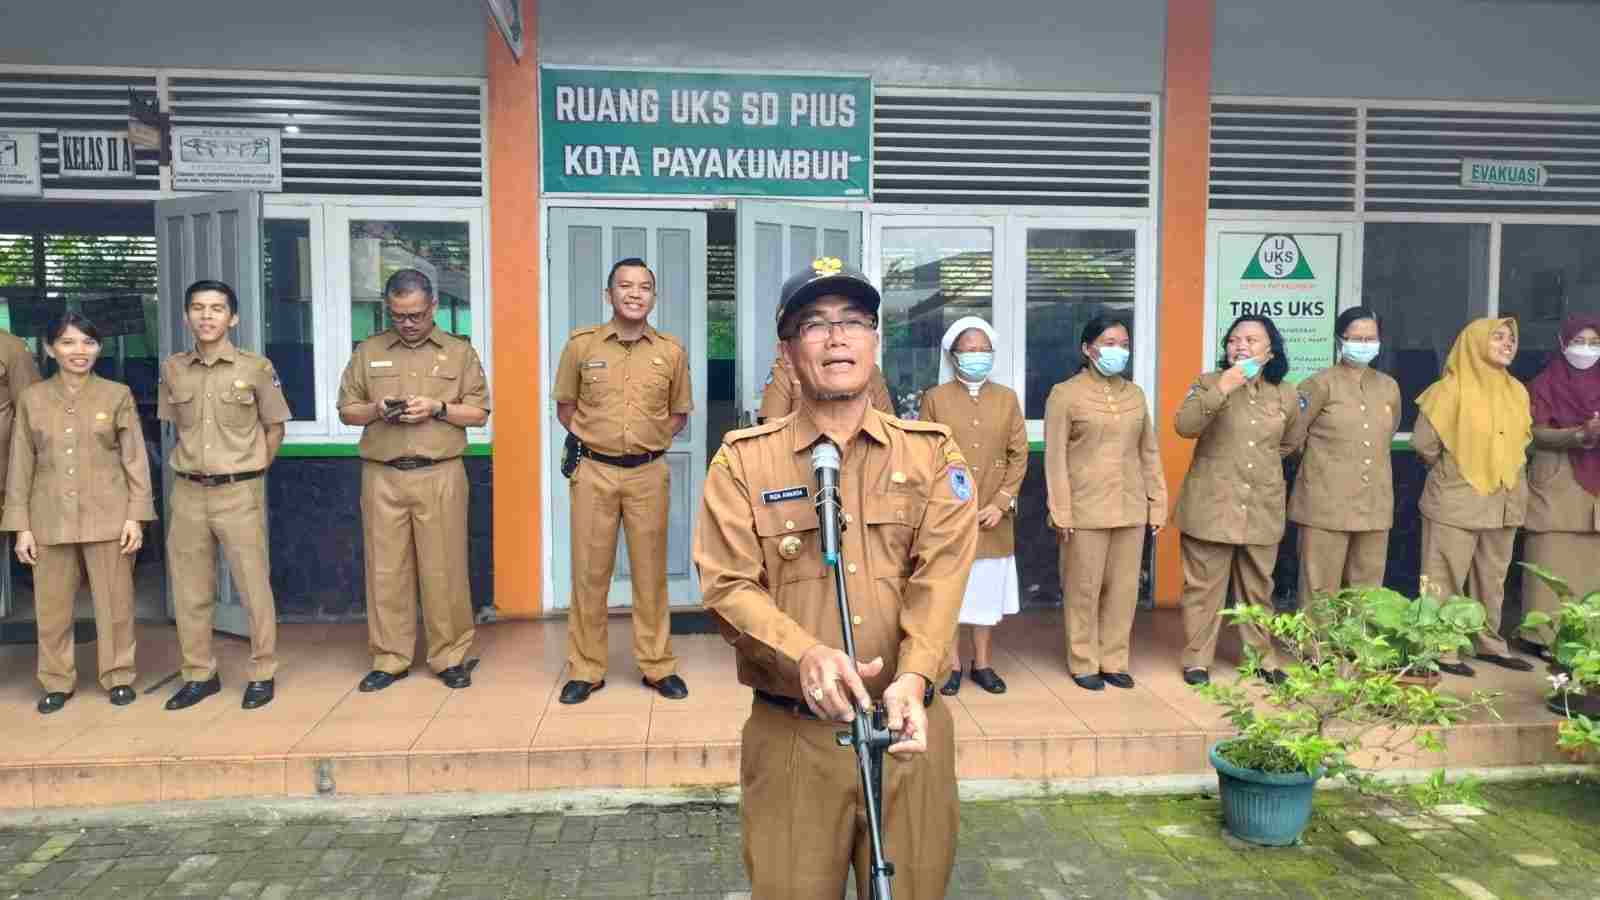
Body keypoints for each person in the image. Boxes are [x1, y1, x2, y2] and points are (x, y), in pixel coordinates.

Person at [693, 259, 976, 900]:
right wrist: (807, 654)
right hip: (793, 738)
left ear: (875, 343)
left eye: (854, 322)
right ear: (789, 351)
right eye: (815, 324)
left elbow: (943, 574)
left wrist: (914, 674)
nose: (837, 337)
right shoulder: (742, 461)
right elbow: (727, 585)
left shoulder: (932, 453)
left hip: (910, 732)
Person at [336, 268, 490, 693]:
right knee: (386, 570)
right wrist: (375, 409)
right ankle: (390, 657)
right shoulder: (368, 351)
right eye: (399, 315)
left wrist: (438, 407)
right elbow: (346, 410)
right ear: (389, 309)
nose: (407, 324)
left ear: (434, 307)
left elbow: (478, 412)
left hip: (439, 473)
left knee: (444, 570)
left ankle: (449, 657)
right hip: (382, 474)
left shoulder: (458, 353)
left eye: (416, 315)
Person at [552, 257, 692, 705]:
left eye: (645, 286)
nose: (635, 293)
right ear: (607, 294)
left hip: (648, 474)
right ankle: (586, 669)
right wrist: (601, 443)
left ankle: (657, 665)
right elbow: (566, 408)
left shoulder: (670, 351)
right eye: (625, 285)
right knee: (590, 575)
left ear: (654, 296)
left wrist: (645, 443)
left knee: (651, 575)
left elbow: (678, 415)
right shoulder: (581, 346)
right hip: (594, 472)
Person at [4, 313, 154, 714]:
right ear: (51, 349)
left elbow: (134, 459)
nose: (79, 351)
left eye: (87, 342)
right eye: (68, 343)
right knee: (51, 610)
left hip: (109, 516)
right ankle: (56, 680)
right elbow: (20, 465)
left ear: (98, 348)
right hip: (48, 518)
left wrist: (134, 517)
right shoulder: (32, 399)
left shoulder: (116, 394)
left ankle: (118, 676)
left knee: (115, 605)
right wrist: (21, 528)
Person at [158, 280, 292, 711]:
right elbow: (174, 426)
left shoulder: (255, 367)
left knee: (253, 585)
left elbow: (275, 427)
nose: (207, 316)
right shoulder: (173, 368)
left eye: (217, 308)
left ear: (232, 317)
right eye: (197, 308)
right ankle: (200, 674)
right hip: (188, 492)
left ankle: (262, 670)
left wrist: (253, 469)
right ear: (186, 316)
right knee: (190, 589)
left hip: (239, 492)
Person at [1172, 315, 1299, 686]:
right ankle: (1197, 659)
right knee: (1204, 588)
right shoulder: (1208, 383)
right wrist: (1224, 387)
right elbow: (1185, 426)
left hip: (1262, 501)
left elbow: (1290, 442)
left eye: (1251, 340)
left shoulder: (1286, 394)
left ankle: (1261, 658)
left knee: (1259, 587)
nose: (1240, 346)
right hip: (1212, 502)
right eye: (1233, 340)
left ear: (1270, 351)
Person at [1044, 316, 1166, 691]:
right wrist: (1060, 510)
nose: (1118, 350)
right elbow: (1055, 458)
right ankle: (1083, 661)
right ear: (1087, 349)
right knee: (1083, 588)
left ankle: (1114, 659)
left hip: (1131, 507)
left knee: (1124, 589)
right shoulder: (1065, 394)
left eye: (1124, 343)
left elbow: (1149, 451)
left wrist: (1157, 503)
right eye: (1109, 342)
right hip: (1084, 509)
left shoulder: (1135, 394)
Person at [1414, 317, 1535, 677]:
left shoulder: (1517, 390)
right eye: (1497, 337)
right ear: (1474, 342)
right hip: (1456, 497)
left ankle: (1488, 643)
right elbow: (1424, 444)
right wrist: (1454, 471)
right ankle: (1440, 647)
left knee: (1492, 577)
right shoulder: (1448, 390)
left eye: (1511, 338)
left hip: (1505, 499)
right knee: (1441, 576)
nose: (1507, 343)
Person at [918, 315, 1026, 695]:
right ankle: (951, 666)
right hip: (950, 517)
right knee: (950, 595)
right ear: (953, 356)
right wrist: (948, 506)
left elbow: (1019, 455)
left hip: (994, 519)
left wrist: (1001, 502)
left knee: (985, 596)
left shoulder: (1007, 398)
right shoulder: (935, 398)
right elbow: (926, 455)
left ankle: (983, 664)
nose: (978, 356)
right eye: (970, 350)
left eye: (984, 350)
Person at [1284, 307, 1402, 607]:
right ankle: (1317, 650)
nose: (1364, 344)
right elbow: (1293, 437)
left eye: (1371, 338)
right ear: (1340, 341)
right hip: (1324, 502)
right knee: (1319, 585)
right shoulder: (1319, 384)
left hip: (1373, 503)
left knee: (1367, 588)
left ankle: (1357, 650)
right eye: (1357, 338)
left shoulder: (1389, 387)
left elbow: (1385, 434)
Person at [1521, 316, 1600, 660]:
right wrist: (1578, 434)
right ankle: (1543, 637)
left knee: (1590, 567)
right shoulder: (1542, 384)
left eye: (1594, 341)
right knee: (1551, 563)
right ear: (1562, 341)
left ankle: (1587, 639)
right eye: (1579, 341)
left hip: (1593, 491)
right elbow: (1531, 434)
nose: (1586, 348)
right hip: (1556, 484)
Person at [758, 353, 893, 421]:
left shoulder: (870, 369)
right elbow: (773, 432)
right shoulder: (786, 368)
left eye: (851, 322)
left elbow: (889, 431)